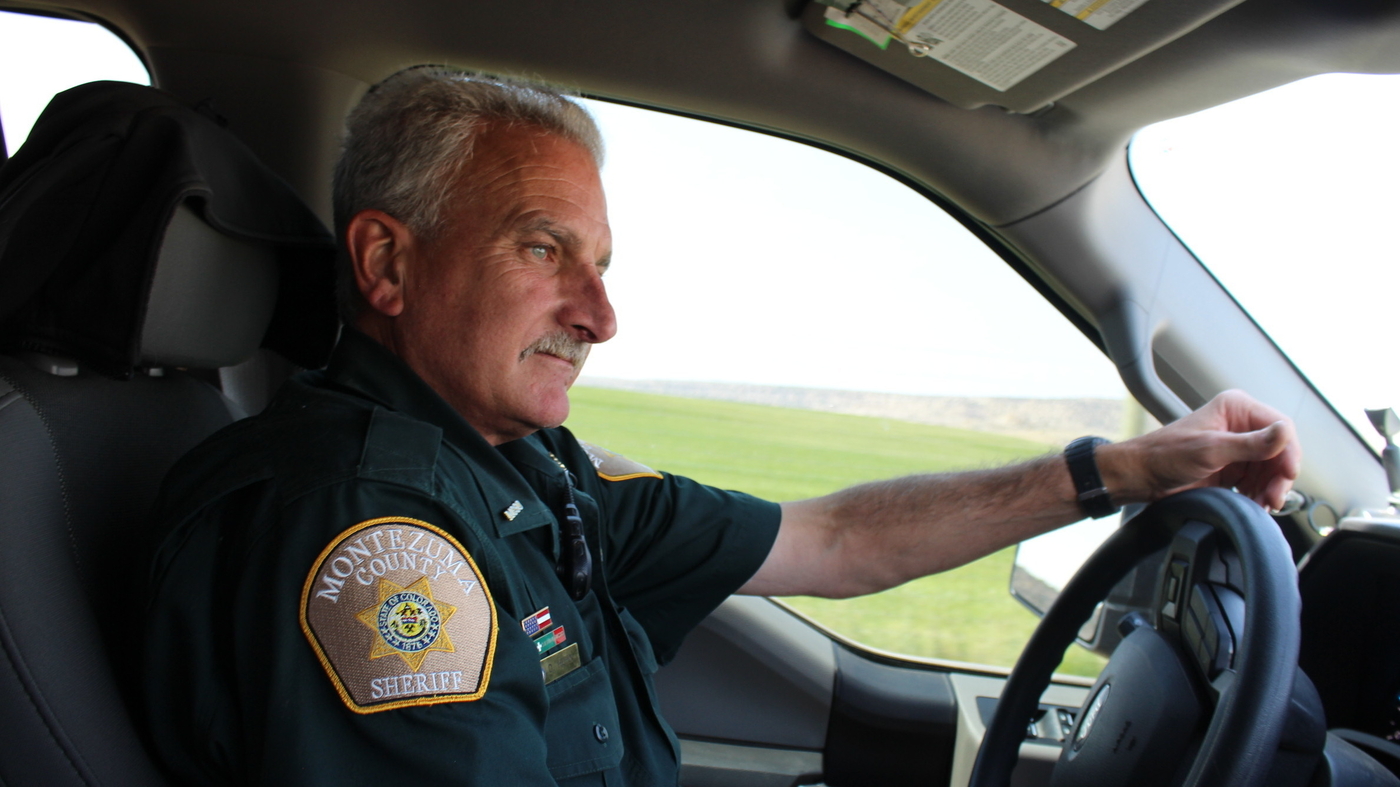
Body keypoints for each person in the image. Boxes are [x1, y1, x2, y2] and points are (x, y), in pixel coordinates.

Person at [139, 67, 1301, 785]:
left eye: (598, 264)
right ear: (387, 263)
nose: (599, 315)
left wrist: (1124, 466)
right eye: (543, 250)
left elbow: (832, 541)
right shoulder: (365, 533)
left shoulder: (528, 472)